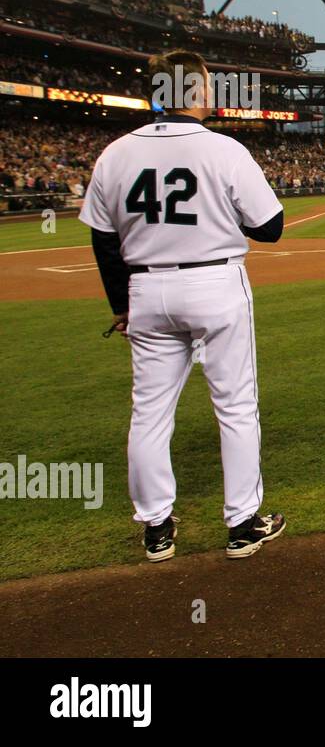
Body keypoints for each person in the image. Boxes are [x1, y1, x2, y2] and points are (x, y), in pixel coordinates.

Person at [79, 50, 286, 562]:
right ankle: (241, 523)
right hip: (215, 283)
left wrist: (121, 304)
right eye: (208, 85)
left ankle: (156, 529)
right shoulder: (224, 150)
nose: (213, 94)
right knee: (235, 406)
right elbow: (271, 228)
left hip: (146, 291)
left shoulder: (114, 154)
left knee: (148, 413)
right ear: (192, 92)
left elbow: (103, 241)